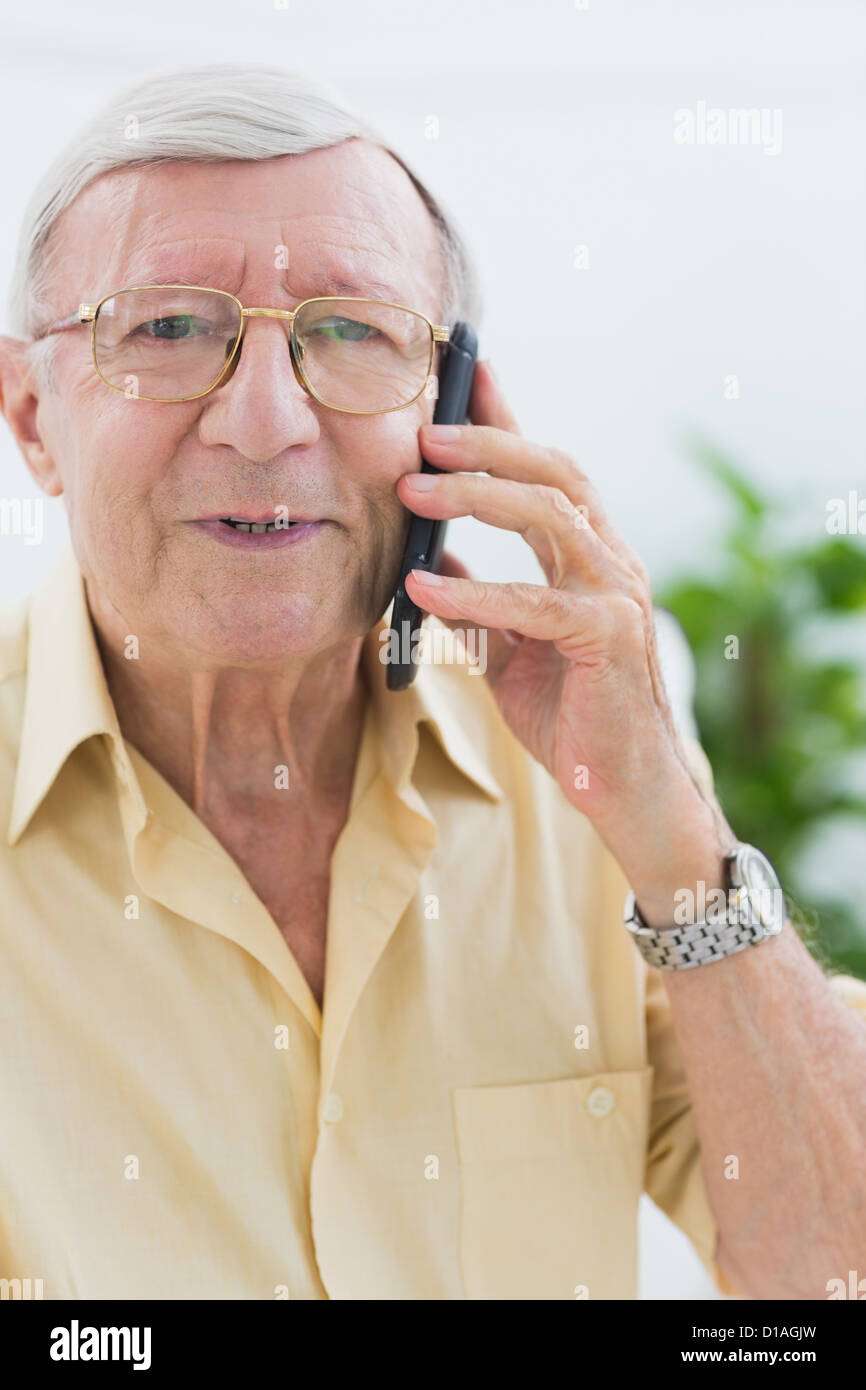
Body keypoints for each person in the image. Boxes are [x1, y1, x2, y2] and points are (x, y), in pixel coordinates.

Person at [0, 62, 863, 1302]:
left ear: (450, 405)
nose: (263, 420)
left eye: (350, 331)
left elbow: (828, 1275)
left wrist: (670, 826)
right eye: (168, 328)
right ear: (33, 416)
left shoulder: (577, 772)